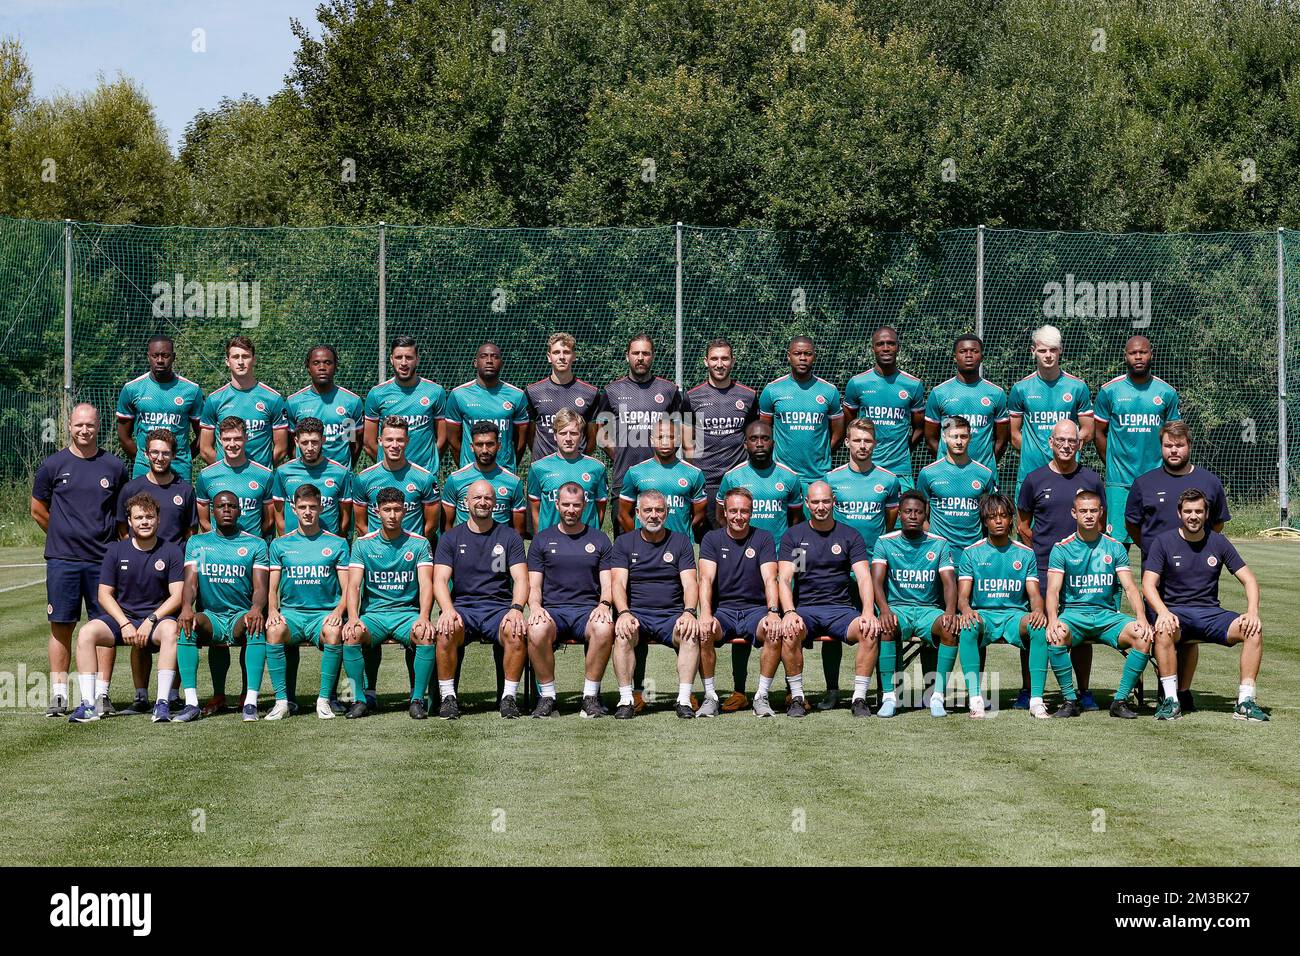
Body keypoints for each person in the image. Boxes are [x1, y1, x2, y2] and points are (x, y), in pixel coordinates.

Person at [31, 402, 128, 718]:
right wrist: (61, 534)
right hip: (63, 560)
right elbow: (37, 509)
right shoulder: (52, 465)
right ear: (69, 426)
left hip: (103, 561)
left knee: (105, 627)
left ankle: (102, 694)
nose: (84, 430)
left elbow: (121, 517)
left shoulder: (114, 467)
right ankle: (59, 695)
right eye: (78, 425)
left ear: (98, 426)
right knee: (61, 626)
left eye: (90, 425)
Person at [1125, 421, 1229, 711]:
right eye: (1168, 445)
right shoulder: (1144, 483)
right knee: (1160, 632)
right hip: (1158, 579)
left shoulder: (1209, 482)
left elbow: (1217, 524)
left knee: (1189, 634)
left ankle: (1182, 692)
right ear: (1161, 447)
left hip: (1196, 579)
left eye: (1179, 445)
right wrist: (1155, 551)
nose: (1174, 450)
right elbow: (1132, 526)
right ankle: (1163, 691)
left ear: (1189, 446)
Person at [1143, 490, 1266, 722]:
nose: (1193, 516)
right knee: (1162, 629)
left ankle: (1245, 702)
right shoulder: (1164, 541)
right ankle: (1171, 701)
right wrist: (1163, 612)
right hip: (1177, 615)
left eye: (1198, 511)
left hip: (1211, 614)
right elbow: (1148, 584)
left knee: (1254, 629)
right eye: (1188, 511)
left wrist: (1252, 612)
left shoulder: (1218, 542)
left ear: (1206, 513)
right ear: (1179, 513)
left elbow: (1249, 579)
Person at [66, 493, 184, 723]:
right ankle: (88, 705)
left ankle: (161, 704)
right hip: (125, 619)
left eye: (149, 517)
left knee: (171, 631)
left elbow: (177, 595)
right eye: (139, 517)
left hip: (157, 620)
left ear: (158, 519)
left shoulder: (171, 551)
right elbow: (104, 594)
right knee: (87, 633)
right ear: (129, 521)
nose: (145, 522)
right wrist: (124, 623)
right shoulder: (116, 551)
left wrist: (151, 620)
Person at [713, 420, 804, 710]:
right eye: (754, 439)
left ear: (773, 443)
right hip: (745, 561)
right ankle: (739, 691)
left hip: (781, 565)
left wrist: (794, 566)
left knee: (786, 625)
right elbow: (720, 516)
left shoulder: (789, 478)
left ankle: (792, 690)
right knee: (740, 622)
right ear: (746, 444)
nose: (760, 443)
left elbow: (797, 523)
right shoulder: (733, 477)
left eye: (765, 438)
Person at [1015, 419, 1105, 710]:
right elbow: (1023, 524)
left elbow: (1100, 524)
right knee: (1037, 627)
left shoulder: (1091, 479)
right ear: (1050, 443)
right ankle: (1030, 690)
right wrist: (1039, 554)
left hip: (1082, 571)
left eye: (1072, 441)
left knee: (1082, 631)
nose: (1067, 446)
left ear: (1080, 445)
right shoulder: (1034, 479)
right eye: (1061, 440)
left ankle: (1084, 691)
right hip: (1042, 569)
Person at [1044, 489, 1154, 719]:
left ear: (1101, 512)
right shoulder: (1062, 548)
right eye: (1083, 511)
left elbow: (1131, 588)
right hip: (1073, 615)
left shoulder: (1114, 547)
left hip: (1107, 616)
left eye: (1094, 510)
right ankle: (1070, 700)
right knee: (1056, 635)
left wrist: (1142, 618)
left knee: (1143, 636)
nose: (1089, 515)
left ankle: (1120, 701)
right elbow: (1053, 590)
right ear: (1074, 513)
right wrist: (1053, 620)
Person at [815, 417, 899, 710]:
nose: (862, 446)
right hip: (837, 566)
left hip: (875, 566)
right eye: (857, 440)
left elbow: (888, 524)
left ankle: (882, 691)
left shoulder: (888, 480)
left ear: (875, 444)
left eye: (868, 441)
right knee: (831, 631)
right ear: (847, 442)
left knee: (880, 626)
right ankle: (832, 689)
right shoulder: (832, 479)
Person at [778, 481, 880, 718]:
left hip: (841, 610)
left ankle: (859, 699)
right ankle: (797, 698)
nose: (821, 506)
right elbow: (785, 579)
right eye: (815, 502)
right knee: (790, 631)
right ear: (806, 503)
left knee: (869, 630)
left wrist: (867, 612)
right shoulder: (796, 537)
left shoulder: (849, 535)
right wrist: (790, 612)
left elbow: (864, 578)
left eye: (825, 501)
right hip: (807, 610)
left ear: (834, 501)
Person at [113, 428, 195, 714]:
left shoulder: (184, 490)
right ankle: (140, 696)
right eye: (155, 452)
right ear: (146, 454)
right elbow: (123, 531)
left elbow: (189, 530)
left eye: (166, 453)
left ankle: (172, 694)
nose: (160, 458)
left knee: (177, 629)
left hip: (174, 572)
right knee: (139, 625)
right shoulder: (132, 488)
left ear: (175, 455)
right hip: (140, 571)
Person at [432, 480, 529, 720]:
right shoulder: (450, 538)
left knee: (516, 631)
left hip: (498, 609)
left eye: (487, 498)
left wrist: (516, 609)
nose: (482, 502)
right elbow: (440, 580)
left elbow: (521, 579)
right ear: (466, 503)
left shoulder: (509, 537)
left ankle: (508, 698)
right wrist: (446, 610)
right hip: (463, 609)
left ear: (495, 504)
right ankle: (448, 698)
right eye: (477, 498)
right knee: (445, 630)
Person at [956, 495, 1059, 719]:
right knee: (968, 625)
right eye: (992, 517)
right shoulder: (971, 553)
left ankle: (1036, 700)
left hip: (1014, 616)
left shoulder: (1025, 553)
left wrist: (1038, 611)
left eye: (1003, 515)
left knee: (1038, 626)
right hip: (984, 614)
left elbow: (1034, 595)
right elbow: (962, 597)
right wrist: (966, 610)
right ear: (984, 521)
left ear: (1011, 519)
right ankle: (975, 699)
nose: (999, 521)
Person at [173, 491, 270, 722]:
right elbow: (190, 584)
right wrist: (186, 607)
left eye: (231, 506)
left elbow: (260, 588)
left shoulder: (255, 544)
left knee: (254, 624)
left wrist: (256, 608)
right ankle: (191, 703)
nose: (226, 510)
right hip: (212, 616)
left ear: (239, 511)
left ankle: (250, 702)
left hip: (239, 615)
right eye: (220, 506)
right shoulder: (197, 543)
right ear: (212, 511)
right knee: (188, 623)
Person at [342, 487, 436, 719]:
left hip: (407, 614)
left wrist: (424, 617)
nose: (392, 515)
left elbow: (426, 585)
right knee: (351, 634)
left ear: (405, 511)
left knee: (425, 634)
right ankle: (358, 699)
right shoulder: (363, 544)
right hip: (374, 615)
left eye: (397, 509)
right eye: (387, 510)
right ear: (376, 512)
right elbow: (353, 585)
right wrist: (353, 617)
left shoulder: (419, 544)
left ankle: (416, 700)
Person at [608, 490, 701, 719]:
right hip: (637, 615)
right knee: (622, 634)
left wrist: (689, 612)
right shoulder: (623, 542)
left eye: (659, 510)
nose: (653, 515)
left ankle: (683, 699)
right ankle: (626, 699)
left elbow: (690, 583)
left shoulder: (680, 542)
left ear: (667, 513)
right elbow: (617, 583)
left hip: (671, 616)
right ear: (638, 514)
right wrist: (623, 613)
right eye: (648, 510)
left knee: (690, 633)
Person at [525, 482, 616, 718]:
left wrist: (604, 605)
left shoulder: (600, 540)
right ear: (557, 504)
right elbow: (533, 585)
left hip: (587, 611)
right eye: (565, 504)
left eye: (576, 505)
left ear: (584, 506)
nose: (571, 510)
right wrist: (535, 607)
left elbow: (608, 584)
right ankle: (547, 697)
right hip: (553, 611)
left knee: (605, 627)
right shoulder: (542, 540)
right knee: (535, 629)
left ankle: (590, 697)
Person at [262, 484, 351, 721]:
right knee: (273, 630)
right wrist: (272, 609)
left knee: (334, 631)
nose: (308, 512)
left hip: (323, 615)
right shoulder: (280, 544)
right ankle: (282, 702)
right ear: (293, 509)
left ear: (321, 508)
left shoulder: (337, 543)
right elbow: (272, 588)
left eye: (312, 507)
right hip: (292, 614)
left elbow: (349, 588)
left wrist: (339, 610)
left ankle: (324, 701)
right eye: (302, 507)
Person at [871, 492, 960, 717]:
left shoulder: (939, 544)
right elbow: (876, 581)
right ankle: (890, 697)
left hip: (928, 611)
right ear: (899, 514)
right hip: (897, 608)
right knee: (887, 625)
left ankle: (937, 696)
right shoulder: (885, 542)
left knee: (949, 628)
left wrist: (950, 613)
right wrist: (884, 610)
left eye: (918, 512)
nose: (913, 516)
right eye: (908, 511)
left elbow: (949, 583)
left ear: (924, 515)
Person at [697, 489, 783, 717]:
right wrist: (705, 614)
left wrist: (773, 611)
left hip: (755, 611)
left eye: (744, 511)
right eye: (733, 510)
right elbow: (705, 579)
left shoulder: (763, 537)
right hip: (723, 611)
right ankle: (710, 697)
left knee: (774, 631)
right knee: (703, 632)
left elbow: (770, 578)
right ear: (724, 512)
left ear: (751, 512)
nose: (738, 516)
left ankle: (761, 697)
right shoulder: (711, 539)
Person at [1093, 335, 1181, 543]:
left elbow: (1174, 436)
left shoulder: (1166, 392)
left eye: (1143, 352)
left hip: (1157, 479)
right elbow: (1098, 433)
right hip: (1119, 482)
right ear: (1126, 357)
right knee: (1117, 546)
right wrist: (1113, 464)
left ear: (1151, 354)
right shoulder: (1109, 391)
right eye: (1133, 353)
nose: (1138, 357)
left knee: (1158, 543)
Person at [595, 334, 683, 526]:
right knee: (625, 545)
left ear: (653, 356)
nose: (640, 357)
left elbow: (679, 432)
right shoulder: (612, 391)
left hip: (663, 479)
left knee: (663, 543)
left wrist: (666, 456)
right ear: (627, 356)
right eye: (636, 353)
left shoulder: (669, 390)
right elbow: (600, 431)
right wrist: (618, 453)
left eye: (645, 353)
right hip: (624, 477)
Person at [1007, 324, 1093, 498]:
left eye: (1053, 350)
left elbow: (1088, 431)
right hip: (1031, 471)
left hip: (1068, 471)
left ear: (1060, 350)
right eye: (1042, 350)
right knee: (1026, 524)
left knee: (1070, 521)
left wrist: (1065, 451)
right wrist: (1033, 453)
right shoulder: (1020, 389)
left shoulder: (1077, 387)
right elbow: (1014, 435)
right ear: (1033, 351)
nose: (1048, 356)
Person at [681, 338, 759, 531]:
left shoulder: (748, 395)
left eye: (725, 358)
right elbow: (687, 443)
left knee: (741, 536)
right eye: (714, 359)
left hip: (738, 481)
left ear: (732, 361)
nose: (719, 364)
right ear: (706, 361)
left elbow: (752, 438)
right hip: (706, 481)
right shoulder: (692, 397)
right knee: (708, 542)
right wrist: (694, 478)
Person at [842, 326, 925, 489]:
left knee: (906, 513)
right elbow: (848, 425)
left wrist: (901, 449)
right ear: (873, 348)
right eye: (880, 344)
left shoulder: (913, 385)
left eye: (890, 343)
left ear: (898, 348)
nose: (885, 348)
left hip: (900, 470)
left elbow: (920, 429)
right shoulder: (858, 383)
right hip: (865, 468)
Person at [758, 335, 844, 487]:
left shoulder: (829, 391)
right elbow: (764, 432)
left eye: (807, 354)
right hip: (781, 475)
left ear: (814, 357)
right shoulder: (772, 390)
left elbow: (838, 432)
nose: (802, 358)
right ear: (789, 356)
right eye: (797, 354)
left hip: (818, 475)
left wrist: (823, 453)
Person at [115, 334, 204, 479]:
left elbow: (203, 435)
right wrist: (143, 458)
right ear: (148, 356)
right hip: (144, 470)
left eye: (165, 355)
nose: (160, 360)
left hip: (179, 469)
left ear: (174, 357)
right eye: (155, 356)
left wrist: (183, 456)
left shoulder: (191, 390)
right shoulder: (132, 389)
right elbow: (123, 436)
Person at [198, 335, 288, 469]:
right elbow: (205, 449)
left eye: (245, 356)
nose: (240, 362)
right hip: (225, 480)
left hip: (259, 482)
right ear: (227, 361)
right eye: (235, 357)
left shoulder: (273, 399)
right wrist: (224, 469)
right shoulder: (215, 399)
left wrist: (262, 472)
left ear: (254, 359)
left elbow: (281, 449)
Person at [924, 334, 1008, 476]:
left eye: (974, 351)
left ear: (982, 357)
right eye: (963, 351)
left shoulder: (996, 393)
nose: (968, 355)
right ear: (955, 357)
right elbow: (930, 439)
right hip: (947, 473)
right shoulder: (939, 392)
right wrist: (947, 460)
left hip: (983, 473)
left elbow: (1002, 440)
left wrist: (985, 465)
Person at [915, 415, 996, 559]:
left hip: (973, 553)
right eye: (954, 436)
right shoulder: (928, 473)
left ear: (970, 437)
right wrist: (935, 541)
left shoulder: (985, 474)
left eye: (963, 436)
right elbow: (921, 517)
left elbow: (990, 516)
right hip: (939, 555)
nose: (959, 441)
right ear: (944, 437)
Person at [363, 335, 448, 472]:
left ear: (417, 359)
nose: (403, 363)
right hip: (389, 475)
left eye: (409, 357)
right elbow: (369, 443)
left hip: (425, 473)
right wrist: (389, 464)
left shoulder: (435, 392)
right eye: (398, 357)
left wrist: (430, 463)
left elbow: (443, 439)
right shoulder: (377, 394)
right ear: (391, 359)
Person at [444, 342, 529, 472]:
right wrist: (466, 466)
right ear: (475, 362)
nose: (489, 361)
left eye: (494, 357)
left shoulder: (517, 395)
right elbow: (453, 441)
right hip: (470, 472)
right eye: (484, 356)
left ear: (501, 363)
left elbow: (521, 443)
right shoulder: (458, 394)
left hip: (504, 472)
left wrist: (508, 466)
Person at [352, 416, 440, 537]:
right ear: (380, 441)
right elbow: (360, 525)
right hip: (376, 552)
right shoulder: (363, 479)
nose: (394, 445)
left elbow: (431, 525)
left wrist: (415, 546)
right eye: (389, 440)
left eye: (400, 440)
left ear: (407, 441)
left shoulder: (424, 478)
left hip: (411, 553)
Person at [618, 417, 706, 536]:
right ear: (652, 440)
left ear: (678, 440)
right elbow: (623, 514)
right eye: (660, 437)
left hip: (680, 546)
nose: (665, 442)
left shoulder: (694, 473)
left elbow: (699, 516)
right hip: (645, 546)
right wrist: (637, 538)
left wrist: (684, 535)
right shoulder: (635, 472)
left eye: (671, 437)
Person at [527, 408, 608, 532]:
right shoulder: (539, 468)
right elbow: (535, 510)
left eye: (574, 433)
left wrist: (592, 534)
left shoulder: (597, 468)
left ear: (581, 436)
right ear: (555, 435)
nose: (568, 438)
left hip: (585, 542)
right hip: (551, 541)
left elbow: (601, 508)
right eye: (563, 433)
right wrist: (541, 539)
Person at [270, 416, 353, 536]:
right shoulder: (283, 471)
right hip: (294, 547)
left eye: (314, 442)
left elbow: (345, 517)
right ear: (296, 442)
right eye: (304, 442)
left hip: (327, 546)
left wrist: (335, 541)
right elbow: (278, 514)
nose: (310, 448)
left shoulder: (340, 472)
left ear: (323, 440)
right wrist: (286, 542)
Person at [525, 332, 600, 459]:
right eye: (556, 352)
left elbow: (592, 437)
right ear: (549, 357)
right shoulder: (533, 391)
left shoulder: (590, 393)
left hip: (577, 466)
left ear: (574, 356)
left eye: (566, 352)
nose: (561, 357)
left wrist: (581, 459)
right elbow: (530, 435)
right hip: (544, 466)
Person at [285, 345, 364, 467]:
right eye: (316, 363)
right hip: (305, 476)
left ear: (335, 367)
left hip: (339, 476)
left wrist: (345, 469)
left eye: (328, 363)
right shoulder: (294, 402)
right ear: (308, 368)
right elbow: (291, 443)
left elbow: (354, 442)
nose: (322, 367)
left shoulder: (351, 401)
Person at [195, 417, 274, 537]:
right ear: (220, 440)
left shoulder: (264, 475)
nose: (232, 444)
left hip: (252, 548)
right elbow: (204, 521)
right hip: (220, 547)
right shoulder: (206, 475)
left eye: (237, 439)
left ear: (246, 438)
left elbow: (269, 520)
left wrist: (253, 541)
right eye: (227, 439)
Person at [441, 421, 526, 532]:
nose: (485, 450)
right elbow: (446, 526)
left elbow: (519, 530)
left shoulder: (513, 482)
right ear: (472, 447)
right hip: (465, 547)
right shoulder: (456, 479)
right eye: (479, 445)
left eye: (490, 444)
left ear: (499, 446)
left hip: (499, 546)